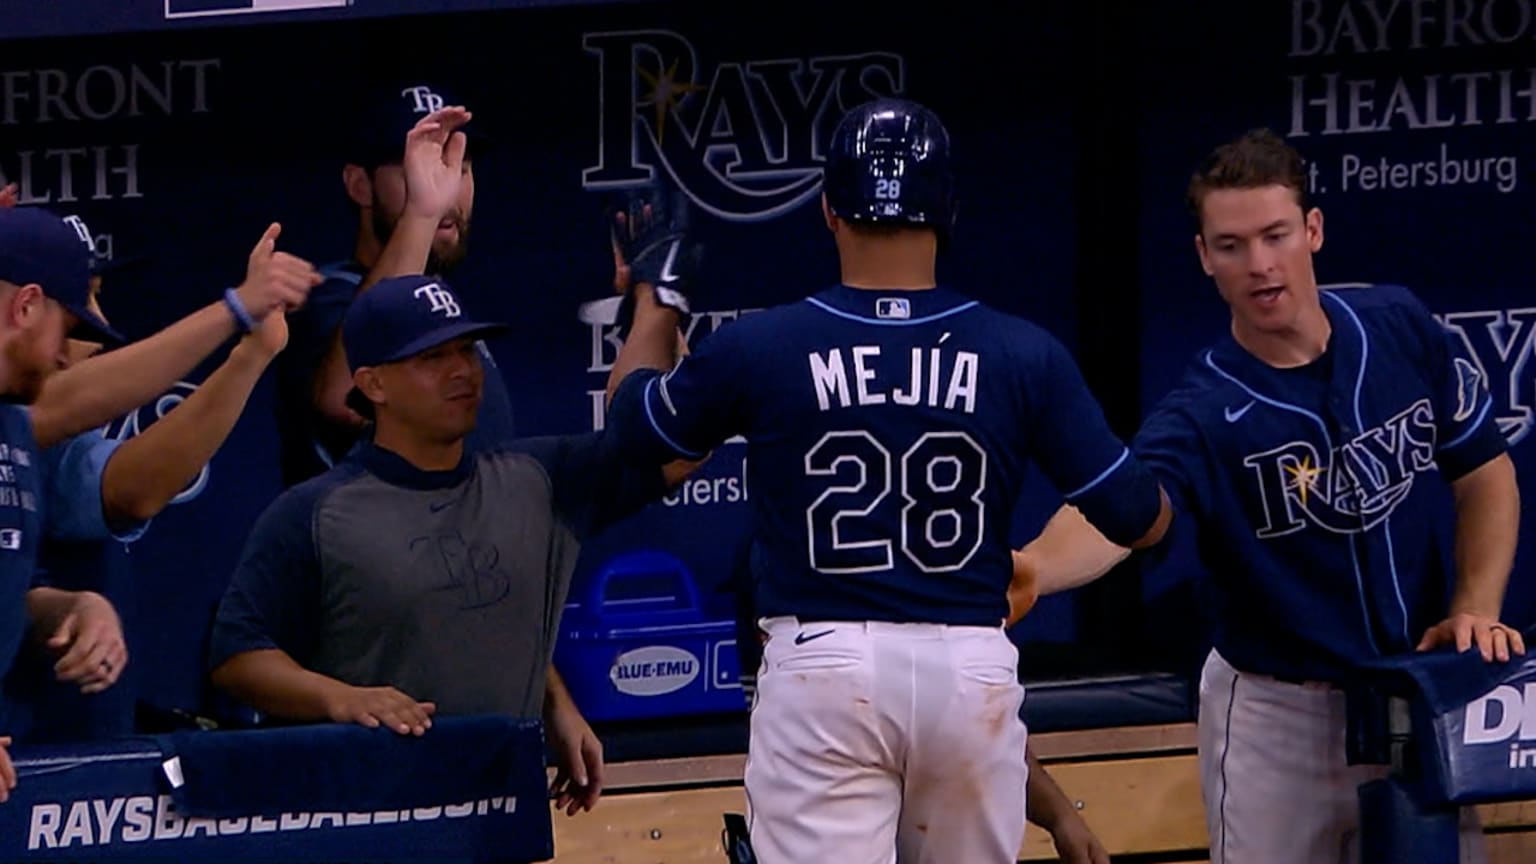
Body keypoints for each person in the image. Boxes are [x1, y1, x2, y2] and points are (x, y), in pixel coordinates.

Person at [601, 98, 1171, 863]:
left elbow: (633, 430)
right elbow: (1137, 515)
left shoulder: (763, 345)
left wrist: (655, 300)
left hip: (825, 667)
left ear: (829, 211)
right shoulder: (1020, 352)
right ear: (950, 212)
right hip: (967, 668)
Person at [1011, 128, 1519, 864]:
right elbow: (1122, 511)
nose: (1259, 264)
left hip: (1416, 697)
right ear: (1203, 258)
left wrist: (1476, 605)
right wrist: (1034, 568)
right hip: (1281, 719)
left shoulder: (1397, 324)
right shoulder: (1203, 412)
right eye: (1231, 245)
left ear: (1312, 230)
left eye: (1275, 235)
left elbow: (1485, 473)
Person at [208, 273, 674, 817]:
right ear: (373, 384)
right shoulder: (314, 513)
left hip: (499, 814)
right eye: (432, 358)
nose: (463, 371)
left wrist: (658, 302)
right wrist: (342, 699)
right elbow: (237, 656)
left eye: (467, 351)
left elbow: (676, 446)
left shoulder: (540, 479)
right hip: (366, 817)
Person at [7, 210, 297, 743]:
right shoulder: (30, 412)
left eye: (97, 294)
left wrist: (76, 604)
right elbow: (68, 413)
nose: (95, 332)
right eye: (72, 314)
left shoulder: (20, 431)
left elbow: (122, 489)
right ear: (23, 306)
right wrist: (236, 315)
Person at [276, 83, 512, 488]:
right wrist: (421, 215)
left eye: (459, 166)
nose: (445, 188)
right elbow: (344, 401)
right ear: (359, 185)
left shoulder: (440, 303)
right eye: (417, 167)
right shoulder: (324, 299)